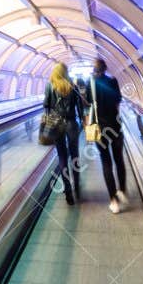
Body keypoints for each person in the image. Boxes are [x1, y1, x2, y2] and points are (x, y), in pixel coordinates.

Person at [87, 59, 129, 213]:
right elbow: (118, 101)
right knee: (119, 160)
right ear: (105, 68)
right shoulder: (113, 81)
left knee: (106, 163)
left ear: (94, 68)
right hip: (115, 127)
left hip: (100, 129)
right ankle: (122, 191)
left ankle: (114, 201)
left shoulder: (90, 83)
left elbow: (89, 103)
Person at [42, 62, 86, 204]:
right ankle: (77, 188)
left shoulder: (50, 85)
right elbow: (79, 107)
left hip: (56, 123)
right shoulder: (71, 85)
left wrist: (48, 123)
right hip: (72, 123)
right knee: (75, 155)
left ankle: (68, 191)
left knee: (62, 157)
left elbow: (46, 106)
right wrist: (84, 122)